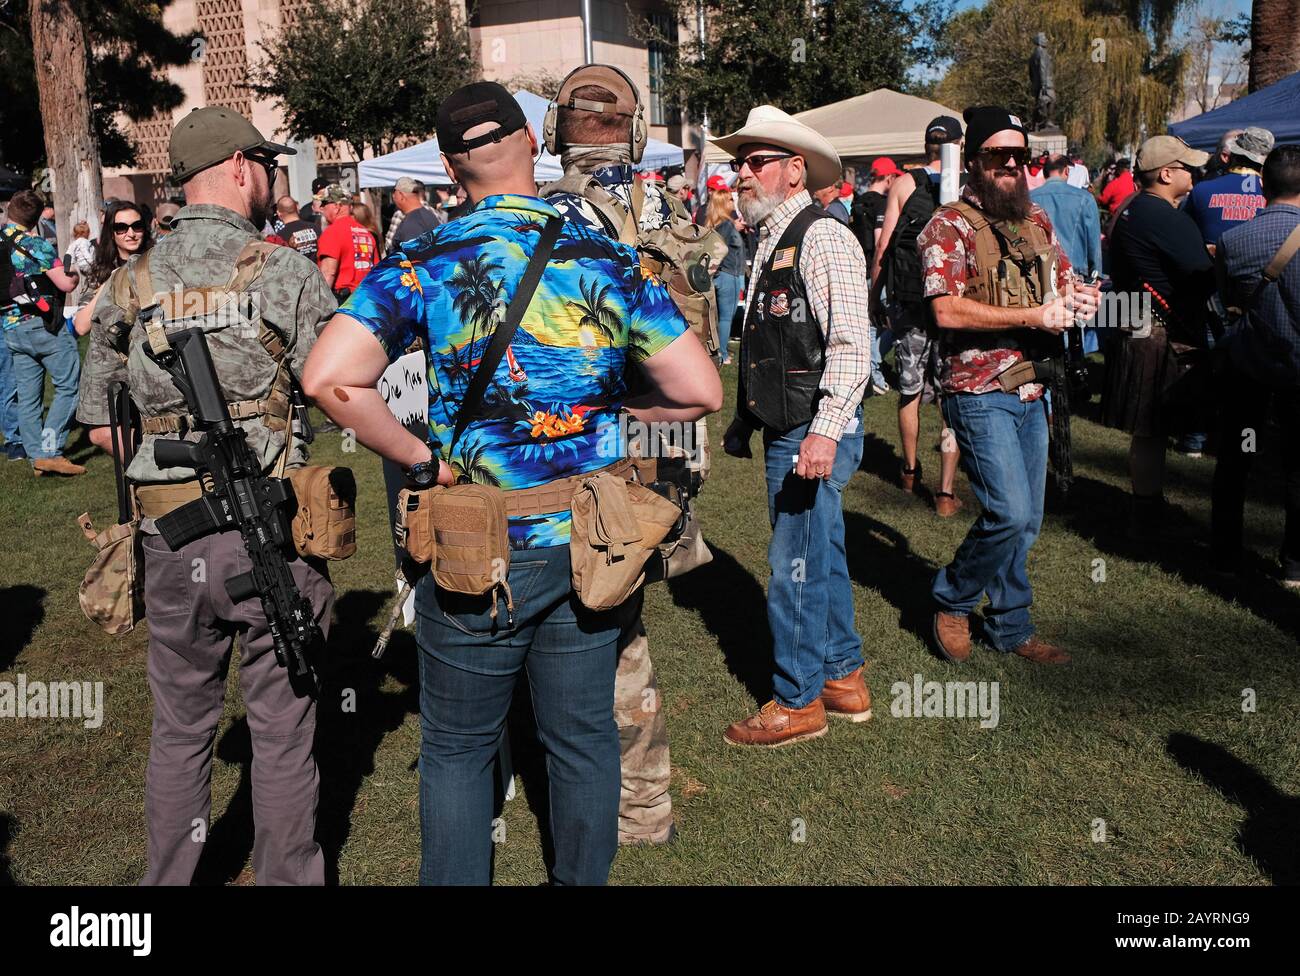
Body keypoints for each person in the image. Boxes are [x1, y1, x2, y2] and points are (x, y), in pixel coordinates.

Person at [301, 81, 720, 884]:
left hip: (475, 542)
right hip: (587, 539)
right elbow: (699, 391)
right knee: (582, 739)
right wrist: (614, 407)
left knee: (458, 751)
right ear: (533, 139)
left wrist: (418, 457)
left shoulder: (424, 257)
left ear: (452, 167)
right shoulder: (604, 259)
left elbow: (331, 379)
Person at [77, 105, 337, 885]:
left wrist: (168, 458)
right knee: (284, 734)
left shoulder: (131, 281)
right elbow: (339, 387)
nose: (270, 176)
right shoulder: (285, 270)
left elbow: (97, 426)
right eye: (263, 162)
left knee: (181, 731)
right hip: (271, 531)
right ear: (235, 166)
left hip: (170, 538)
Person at [540, 63, 718, 847]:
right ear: (638, 132)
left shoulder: (539, 220)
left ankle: (579, 788)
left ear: (555, 135)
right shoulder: (672, 215)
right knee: (622, 627)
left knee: (565, 624)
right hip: (658, 451)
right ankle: (644, 811)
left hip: (566, 451)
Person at [920, 106, 1101, 666]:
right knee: (1009, 513)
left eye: (1020, 157)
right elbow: (946, 311)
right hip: (979, 389)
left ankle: (1010, 626)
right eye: (999, 156)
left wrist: (1079, 300)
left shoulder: (1037, 221)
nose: (1011, 166)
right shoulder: (947, 226)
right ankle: (952, 598)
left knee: (1028, 520)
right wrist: (1032, 318)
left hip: (1034, 386)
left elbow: (1064, 284)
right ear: (975, 160)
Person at [716, 105, 873, 747]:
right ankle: (841, 677)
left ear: (794, 169)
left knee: (794, 563)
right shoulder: (773, 237)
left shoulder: (822, 236)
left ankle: (797, 700)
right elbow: (773, 340)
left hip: (811, 427)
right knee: (821, 552)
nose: (740, 175)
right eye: (738, 163)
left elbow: (850, 347)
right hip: (793, 424)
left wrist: (825, 431)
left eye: (755, 162)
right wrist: (744, 419)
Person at [1102, 135, 1213, 537]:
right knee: (1150, 430)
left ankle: (1146, 503)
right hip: (1156, 331)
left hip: (1136, 324)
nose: (1195, 173)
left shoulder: (1133, 207)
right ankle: (1146, 513)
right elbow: (1203, 276)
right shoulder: (1164, 215)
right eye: (1188, 168)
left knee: (1147, 432)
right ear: (1166, 174)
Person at [1212, 144, 1300, 586]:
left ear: (1262, 185)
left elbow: (1228, 300)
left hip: (1248, 365)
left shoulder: (1232, 240)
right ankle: (1295, 563)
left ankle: (1225, 553)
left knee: (1236, 460)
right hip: (1295, 369)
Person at [873, 115, 965, 517]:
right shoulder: (967, 185)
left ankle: (909, 471)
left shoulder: (904, 183)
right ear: (958, 145)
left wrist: (874, 294)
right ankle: (945, 492)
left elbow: (884, 247)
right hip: (954, 306)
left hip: (909, 303)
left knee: (909, 391)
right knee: (951, 395)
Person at [1, 189, 83, 474]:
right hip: (42, 324)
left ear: (9, 210)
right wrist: (74, 273)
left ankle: (36, 455)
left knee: (28, 395)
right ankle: (51, 449)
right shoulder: (36, 244)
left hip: (10, 328)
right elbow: (65, 285)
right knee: (69, 385)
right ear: (37, 217)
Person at [1185, 127, 1273, 254]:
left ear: (1234, 154)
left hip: (1210, 269)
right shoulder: (1275, 195)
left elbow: (1186, 234)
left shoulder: (1201, 190)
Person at [854, 157, 900, 393]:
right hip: (877, 270)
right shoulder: (882, 204)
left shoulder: (858, 201)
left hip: (860, 269)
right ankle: (875, 371)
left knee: (870, 324)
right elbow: (881, 240)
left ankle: (871, 371)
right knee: (895, 320)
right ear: (889, 177)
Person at [75, 200, 153, 336]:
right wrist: (112, 280)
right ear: (111, 232)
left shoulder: (155, 262)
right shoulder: (101, 272)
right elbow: (81, 327)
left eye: (137, 226)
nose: (131, 233)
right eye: (121, 228)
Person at [1031, 155, 1102, 277]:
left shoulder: (1029, 198)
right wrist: (1096, 274)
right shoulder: (1085, 199)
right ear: (1067, 171)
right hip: (1075, 274)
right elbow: (1093, 243)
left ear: (1044, 172)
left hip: (1041, 274)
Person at [703, 183, 746, 365]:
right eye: (729, 199)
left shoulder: (717, 225)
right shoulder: (727, 226)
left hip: (721, 275)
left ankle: (717, 351)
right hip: (729, 275)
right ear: (722, 204)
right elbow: (721, 251)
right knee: (727, 317)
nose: (732, 202)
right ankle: (722, 354)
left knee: (719, 316)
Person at [316, 184, 377, 301]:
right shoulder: (366, 233)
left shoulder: (333, 232)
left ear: (337, 206)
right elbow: (376, 270)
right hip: (367, 298)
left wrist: (319, 305)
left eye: (324, 204)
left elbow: (328, 272)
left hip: (344, 301)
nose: (321, 208)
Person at [384, 176, 441, 253]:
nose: (393, 196)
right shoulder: (429, 214)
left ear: (401, 196)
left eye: (394, 192)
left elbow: (414, 258)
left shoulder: (412, 224)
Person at [274, 194, 320, 262]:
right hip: (318, 271)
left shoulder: (279, 237)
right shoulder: (315, 228)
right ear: (297, 207)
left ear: (279, 213)